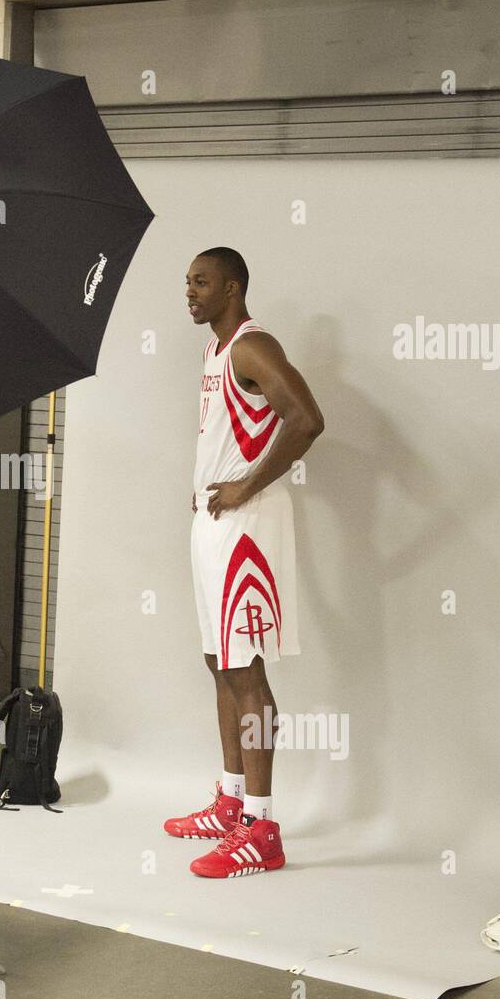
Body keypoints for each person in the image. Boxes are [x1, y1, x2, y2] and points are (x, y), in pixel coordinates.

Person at [165, 248, 324, 878]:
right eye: (187, 283)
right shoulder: (216, 350)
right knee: (219, 661)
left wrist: (244, 487)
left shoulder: (253, 347)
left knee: (246, 671)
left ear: (233, 288)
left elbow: (307, 419)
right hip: (214, 524)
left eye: (201, 282)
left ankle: (261, 827)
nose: (190, 292)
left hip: (246, 529)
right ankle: (232, 803)